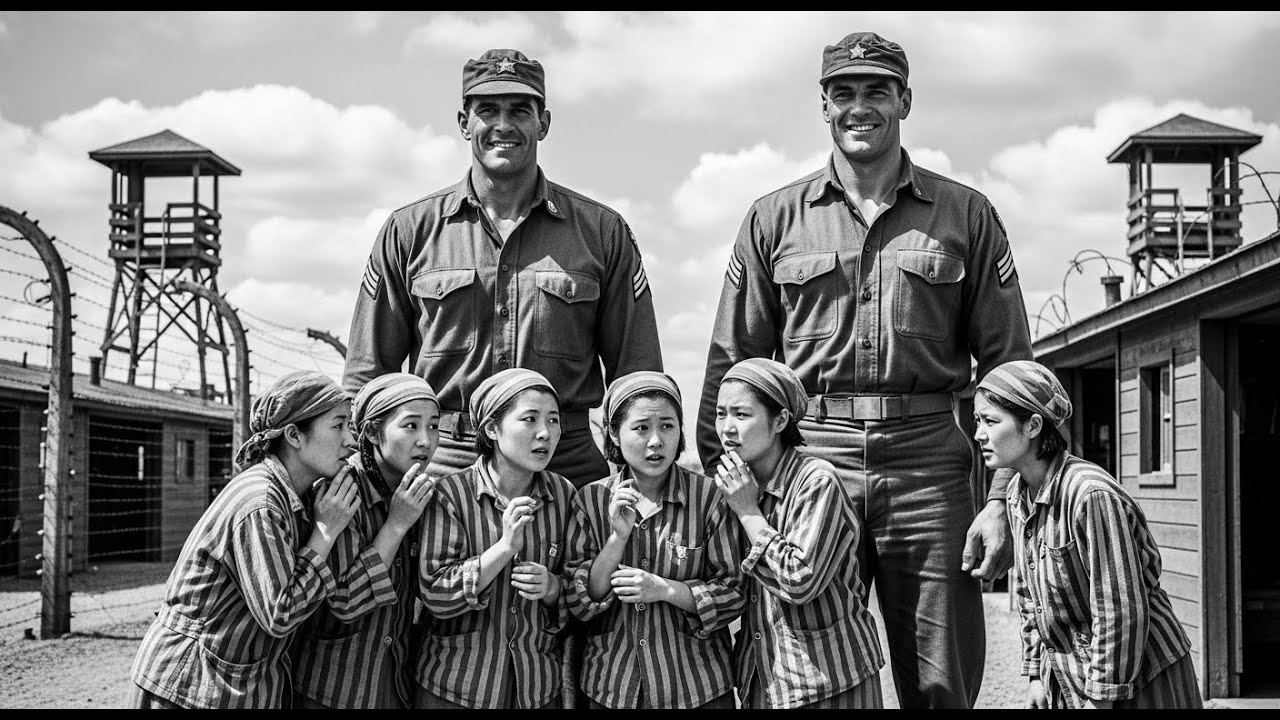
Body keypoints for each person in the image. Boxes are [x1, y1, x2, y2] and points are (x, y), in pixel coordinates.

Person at [696, 30, 1034, 708]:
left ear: (905, 100)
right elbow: (731, 365)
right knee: (807, 670)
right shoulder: (774, 219)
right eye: (843, 92)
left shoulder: (964, 214)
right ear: (823, 105)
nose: (860, 106)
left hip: (928, 468)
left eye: (877, 91)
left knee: (941, 679)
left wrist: (1002, 500)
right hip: (808, 466)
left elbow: (1008, 367)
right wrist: (725, 491)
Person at [342, 47, 662, 490]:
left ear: (543, 123)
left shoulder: (602, 231)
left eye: (520, 111)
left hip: (565, 466)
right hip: (442, 464)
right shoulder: (410, 230)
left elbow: (638, 376)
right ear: (463, 123)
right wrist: (363, 480)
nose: (503, 125)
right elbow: (367, 375)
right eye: (488, 110)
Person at [973, 360, 1202, 710]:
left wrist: (1101, 697)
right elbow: (1030, 596)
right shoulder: (1018, 493)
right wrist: (1036, 674)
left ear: (1033, 425)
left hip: (1144, 677)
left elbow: (1119, 607)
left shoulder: (1089, 495)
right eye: (978, 421)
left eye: (991, 421)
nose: (979, 434)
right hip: (1076, 678)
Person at [127, 371, 361, 709]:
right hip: (187, 689)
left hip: (227, 690)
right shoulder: (260, 502)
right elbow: (280, 614)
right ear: (294, 435)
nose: (352, 441)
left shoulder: (297, 497)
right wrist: (326, 532)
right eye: (338, 426)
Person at [563, 371, 743, 709]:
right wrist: (617, 538)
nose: (656, 441)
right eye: (641, 428)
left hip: (697, 688)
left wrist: (665, 590)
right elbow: (579, 602)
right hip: (613, 687)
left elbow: (733, 593)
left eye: (667, 426)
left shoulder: (710, 498)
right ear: (614, 433)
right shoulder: (590, 500)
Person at [711, 358, 883, 709]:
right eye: (720, 414)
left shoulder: (816, 481)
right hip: (766, 678)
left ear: (780, 420)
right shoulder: (732, 487)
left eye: (741, 415)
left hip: (832, 679)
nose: (727, 428)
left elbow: (800, 581)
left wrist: (748, 512)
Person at [414, 368, 575, 709]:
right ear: (491, 428)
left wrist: (552, 588)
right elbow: (435, 594)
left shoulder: (564, 495)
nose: (545, 433)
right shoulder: (450, 494)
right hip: (455, 689)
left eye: (553, 420)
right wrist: (504, 548)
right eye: (530, 419)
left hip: (536, 690)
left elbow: (579, 592)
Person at [292, 372, 442, 708]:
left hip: (394, 682)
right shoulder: (341, 493)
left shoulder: (419, 491)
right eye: (411, 426)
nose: (426, 440)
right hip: (333, 690)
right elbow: (345, 602)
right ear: (372, 432)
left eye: (434, 426)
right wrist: (396, 525)